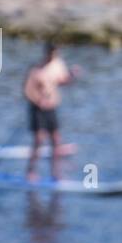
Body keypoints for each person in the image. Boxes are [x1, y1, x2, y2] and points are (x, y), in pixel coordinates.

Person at [23, 42, 79, 181]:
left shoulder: (58, 65)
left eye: (54, 54)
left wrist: (72, 76)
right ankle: (31, 171)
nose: (52, 57)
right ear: (46, 53)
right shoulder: (36, 70)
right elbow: (27, 91)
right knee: (39, 140)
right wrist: (38, 100)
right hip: (38, 108)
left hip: (51, 108)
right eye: (50, 54)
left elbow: (63, 81)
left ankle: (56, 173)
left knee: (56, 140)